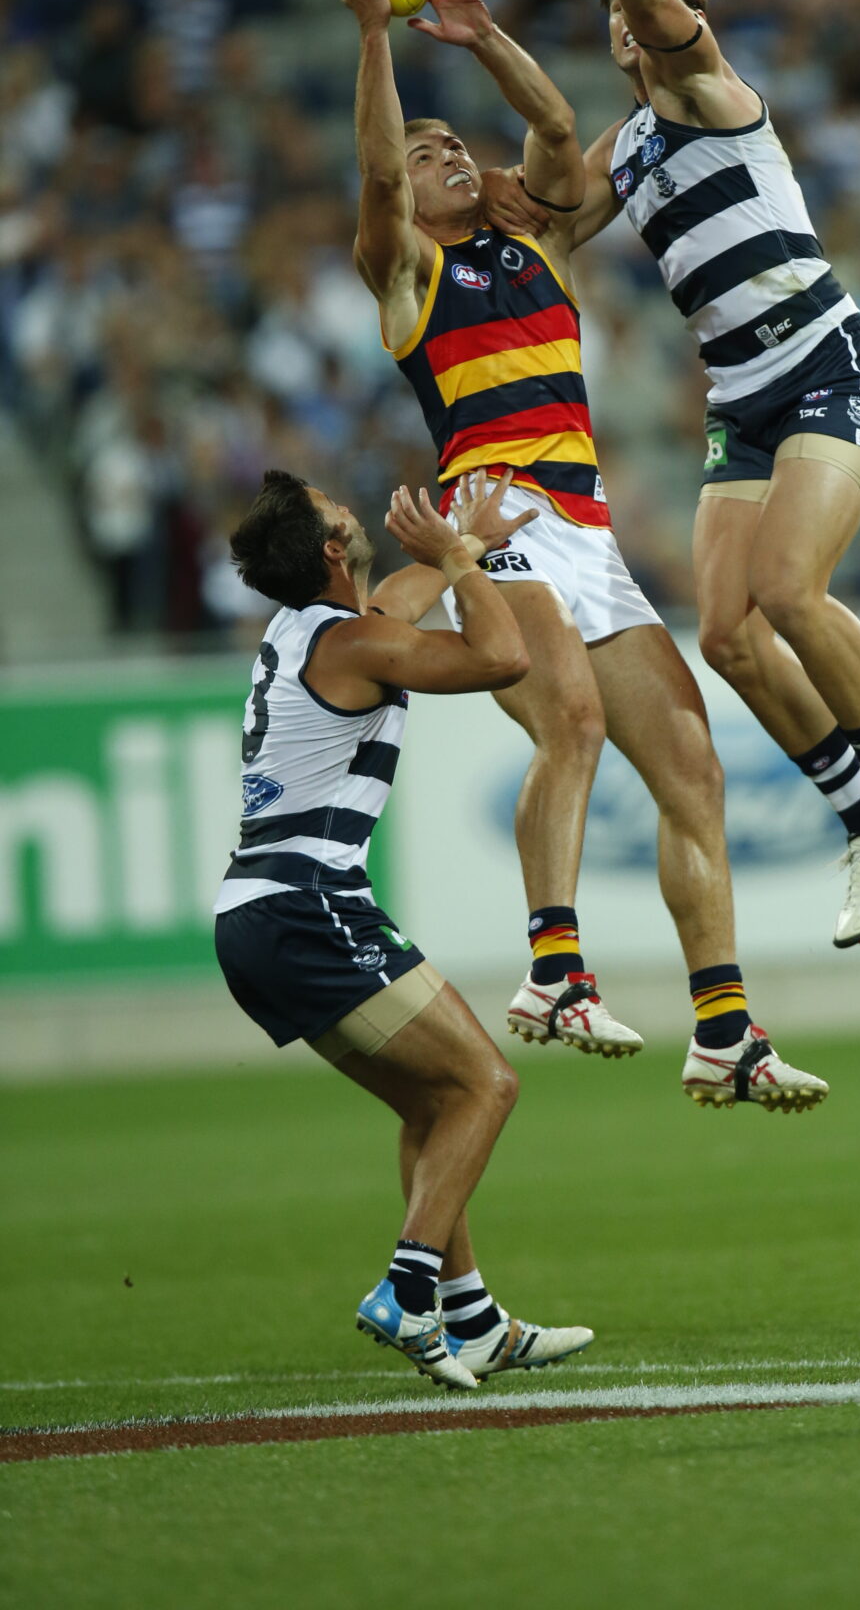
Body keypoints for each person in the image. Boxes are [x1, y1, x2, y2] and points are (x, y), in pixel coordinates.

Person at [327, 0, 827, 1112]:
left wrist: (482, 33)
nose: (448, 154)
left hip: (585, 531)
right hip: (492, 515)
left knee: (694, 767)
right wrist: (370, 38)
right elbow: (384, 178)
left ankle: (725, 1028)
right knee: (573, 723)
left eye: (457, 144)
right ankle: (554, 965)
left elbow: (555, 130)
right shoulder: (407, 274)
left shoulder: (535, 241)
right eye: (430, 148)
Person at [512, 0, 860, 948]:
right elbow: (550, 207)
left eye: (638, 2)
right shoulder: (632, 143)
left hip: (826, 364)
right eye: (612, 11)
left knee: (793, 593)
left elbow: (656, 13)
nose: (627, 22)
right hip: (742, 395)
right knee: (730, 633)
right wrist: (478, 45)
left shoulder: (712, 89)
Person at [215, 465, 593, 1386]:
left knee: (433, 1106)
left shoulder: (316, 628)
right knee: (486, 1087)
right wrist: (464, 561)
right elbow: (503, 660)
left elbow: (394, 603)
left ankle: (469, 1320)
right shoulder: (354, 644)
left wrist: (476, 532)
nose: (346, 505)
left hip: (256, 912)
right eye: (333, 510)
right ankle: (406, 1289)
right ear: (332, 548)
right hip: (310, 902)